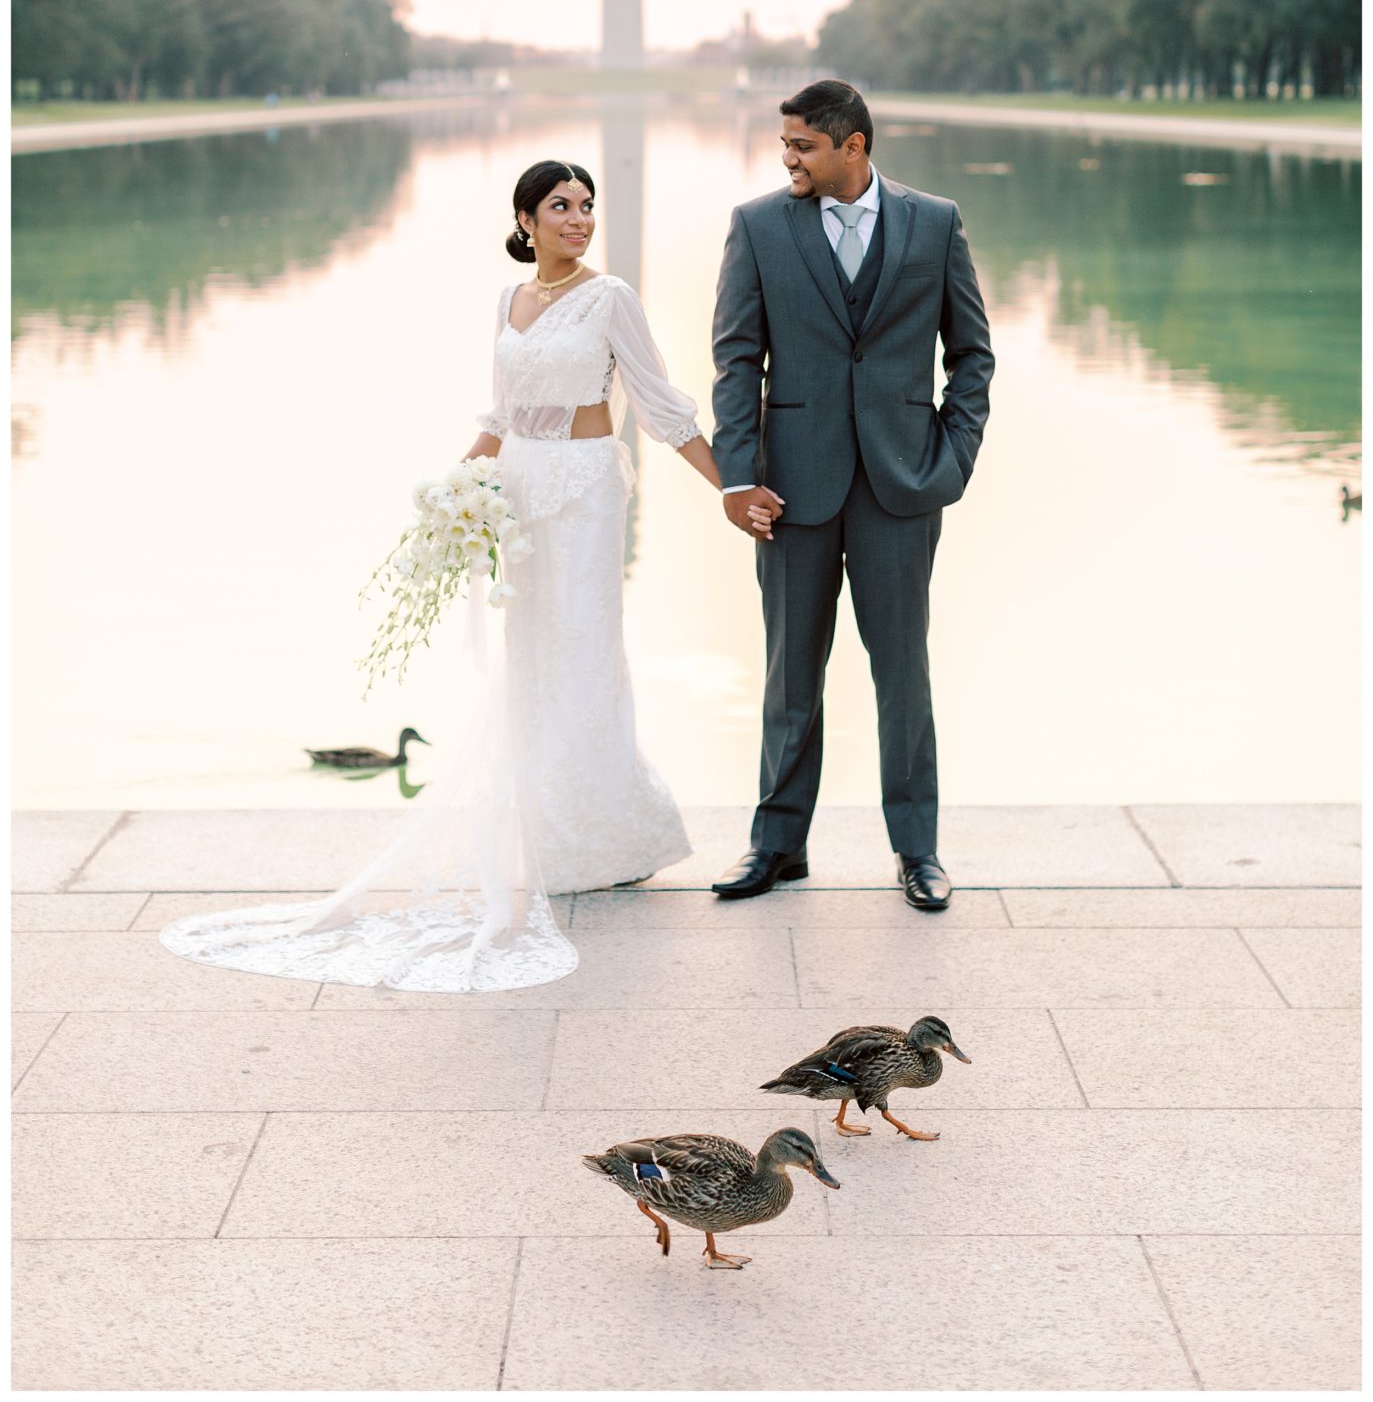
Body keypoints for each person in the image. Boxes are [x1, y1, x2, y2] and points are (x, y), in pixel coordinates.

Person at [161, 158, 718, 992]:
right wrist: (454, 493)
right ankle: (548, 836)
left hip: (583, 487)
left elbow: (660, 403)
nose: (579, 218)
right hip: (519, 491)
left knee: (586, 655)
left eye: (587, 206)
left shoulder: (612, 299)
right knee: (531, 661)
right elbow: (499, 416)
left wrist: (730, 488)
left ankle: (609, 841)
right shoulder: (508, 300)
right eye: (560, 206)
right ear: (525, 219)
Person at [709, 80, 994, 910]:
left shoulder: (934, 222)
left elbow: (970, 354)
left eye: (801, 144)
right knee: (789, 673)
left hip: (904, 483)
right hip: (790, 487)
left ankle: (916, 850)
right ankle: (776, 845)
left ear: (852, 146)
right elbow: (736, 361)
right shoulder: (757, 226)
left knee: (902, 672)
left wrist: (953, 454)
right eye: (785, 144)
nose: (787, 157)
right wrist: (737, 475)